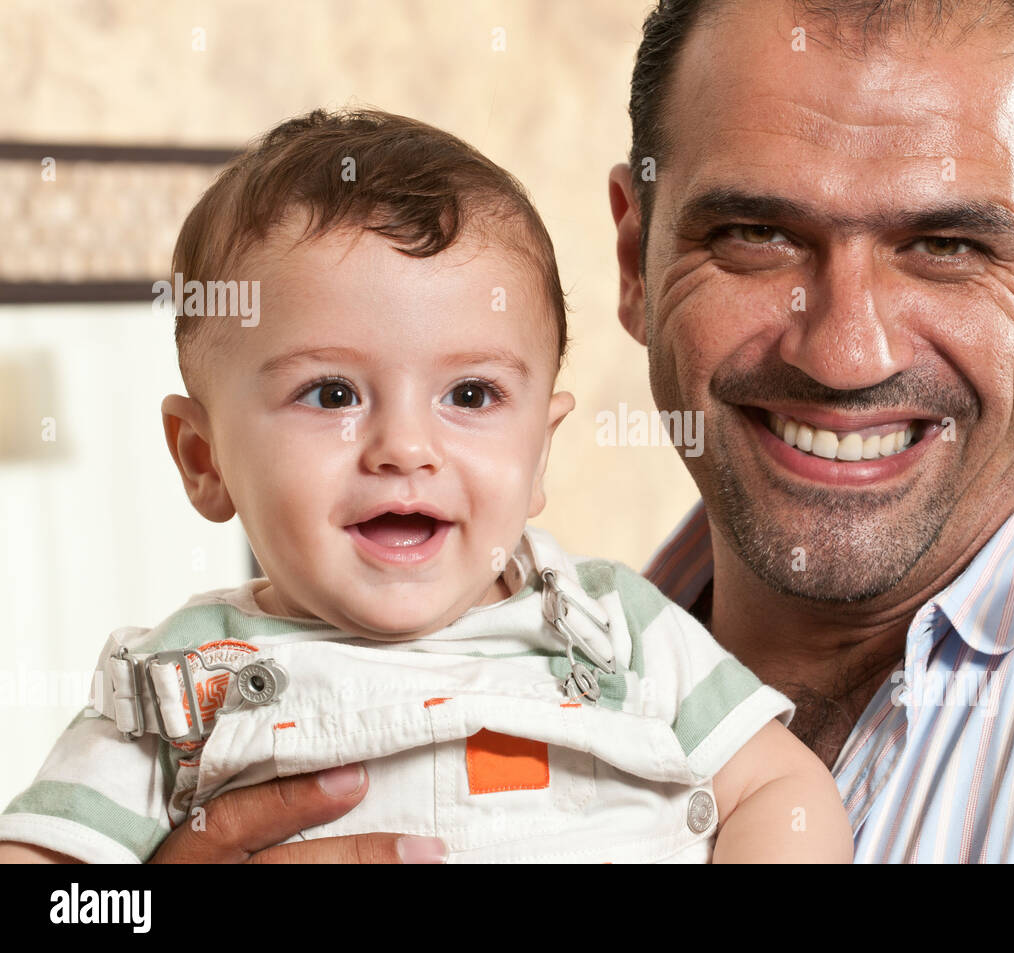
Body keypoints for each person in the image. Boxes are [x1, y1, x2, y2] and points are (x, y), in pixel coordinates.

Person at [47, 0, 1014, 865]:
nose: (844, 348)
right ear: (637, 259)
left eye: (947, 245)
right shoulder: (599, 626)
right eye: (756, 235)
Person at [0, 108, 852, 864]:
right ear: (203, 457)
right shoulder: (180, 687)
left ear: (539, 455)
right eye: (330, 393)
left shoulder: (619, 630)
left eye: (471, 395)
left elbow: (781, 792)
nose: (405, 447)